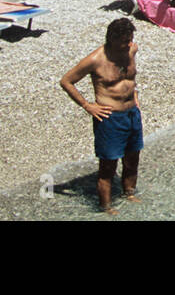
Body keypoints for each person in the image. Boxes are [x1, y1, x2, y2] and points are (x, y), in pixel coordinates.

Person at [59, 18, 143, 214]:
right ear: (111, 39)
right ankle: (105, 208)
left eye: (130, 39)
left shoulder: (132, 50)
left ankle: (129, 193)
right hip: (110, 118)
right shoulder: (95, 60)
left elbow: (130, 79)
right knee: (108, 167)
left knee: (132, 159)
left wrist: (135, 95)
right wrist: (87, 105)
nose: (129, 44)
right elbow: (66, 81)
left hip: (132, 114)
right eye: (124, 40)